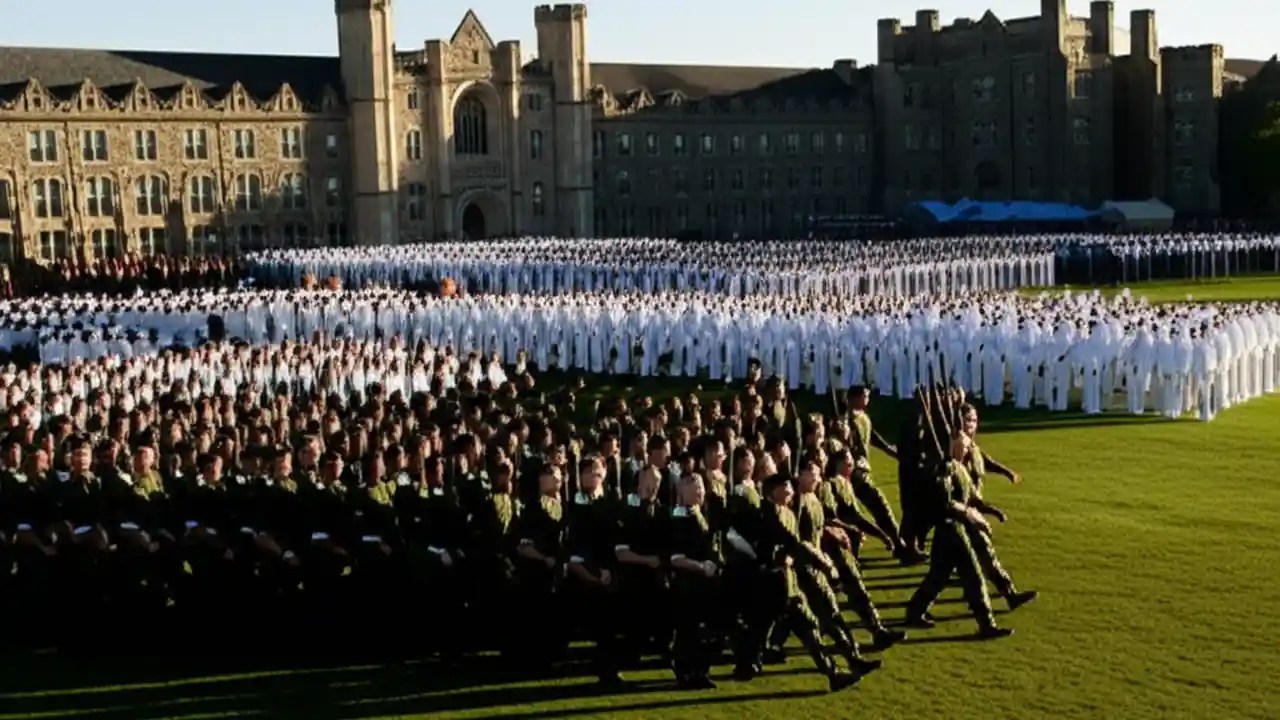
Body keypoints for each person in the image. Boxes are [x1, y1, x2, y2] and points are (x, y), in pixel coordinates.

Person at [756, 472, 876, 692]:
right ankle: (753, 659)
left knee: (810, 627)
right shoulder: (769, 514)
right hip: (773, 583)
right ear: (773, 491)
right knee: (761, 629)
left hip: (790, 584)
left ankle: (836, 670)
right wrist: (821, 561)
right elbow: (791, 542)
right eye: (785, 485)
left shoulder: (786, 512)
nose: (790, 489)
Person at [903, 431, 1015, 639]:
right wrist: (972, 516)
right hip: (950, 530)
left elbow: (972, 497)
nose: (965, 449)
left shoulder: (961, 469)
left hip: (956, 530)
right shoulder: (943, 471)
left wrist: (992, 511)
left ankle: (914, 612)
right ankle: (986, 624)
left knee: (938, 576)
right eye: (960, 446)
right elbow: (946, 504)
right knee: (973, 576)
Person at [667, 473, 721, 689]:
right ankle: (687, 672)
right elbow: (676, 558)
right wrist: (701, 566)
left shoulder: (701, 513)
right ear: (681, 491)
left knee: (704, 631)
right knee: (688, 631)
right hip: (688, 584)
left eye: (700, 486)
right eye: (693, 487)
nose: (699, 491)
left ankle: (698, 671)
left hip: (704, 583)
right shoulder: (680, 519)